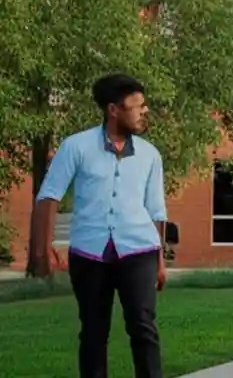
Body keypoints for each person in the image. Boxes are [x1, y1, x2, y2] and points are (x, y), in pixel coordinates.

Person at [29, 73, 167, 378]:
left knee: (143, 328)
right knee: (93, 332)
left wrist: (160, 261)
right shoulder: (76, 147)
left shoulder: (150, 155)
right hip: (89, 254)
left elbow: (156, 210)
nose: (144, 112)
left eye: (144, 105)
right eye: (137, 106)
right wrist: (43, 249)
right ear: (113, 109)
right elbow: (49, 196)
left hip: (139, 250)